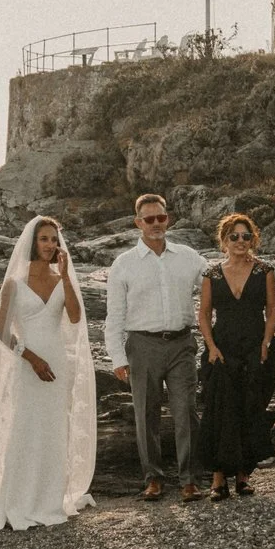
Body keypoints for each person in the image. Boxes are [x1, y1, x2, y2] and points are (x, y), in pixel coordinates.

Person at [0, 216, 97, 532]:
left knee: (54, 428)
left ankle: (49, 499)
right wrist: (30, 357)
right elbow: (1, 333)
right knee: (24, 427)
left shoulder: (59, 278)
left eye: (54, 239)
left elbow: (76, 317)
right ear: (32, 243)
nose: (51, 245)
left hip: (56, 365)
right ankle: (18, 499)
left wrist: (65, 276)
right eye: (44, 239)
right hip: (27, 365)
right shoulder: (14, 282)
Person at [106, 192, 208, 501]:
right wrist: (117, 357)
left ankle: (189, 480)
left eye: (160, 218)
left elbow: (217, 284)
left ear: (168, 218)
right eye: (148, 219)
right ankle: (153, 479)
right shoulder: (123, 264)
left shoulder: (189, 257)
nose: (155, 224)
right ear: (138, 223)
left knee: (186, 412)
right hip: (142, 345)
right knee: (145, 415)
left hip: (181, 344)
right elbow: (115, 316)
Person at [197, 213, 275, 499]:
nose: (240, 241)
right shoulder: (212, 274)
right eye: (234, 236)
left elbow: (272, 310)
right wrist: (210, 347)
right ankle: (218, 478)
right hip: (222, 349)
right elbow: (204, 314)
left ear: (253, 239)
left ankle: (244, 476)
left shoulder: (265, 271)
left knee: (249, 408)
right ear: (224, 241)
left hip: (254, 349)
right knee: (220, 409)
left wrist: (266, 342)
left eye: (246, 236)